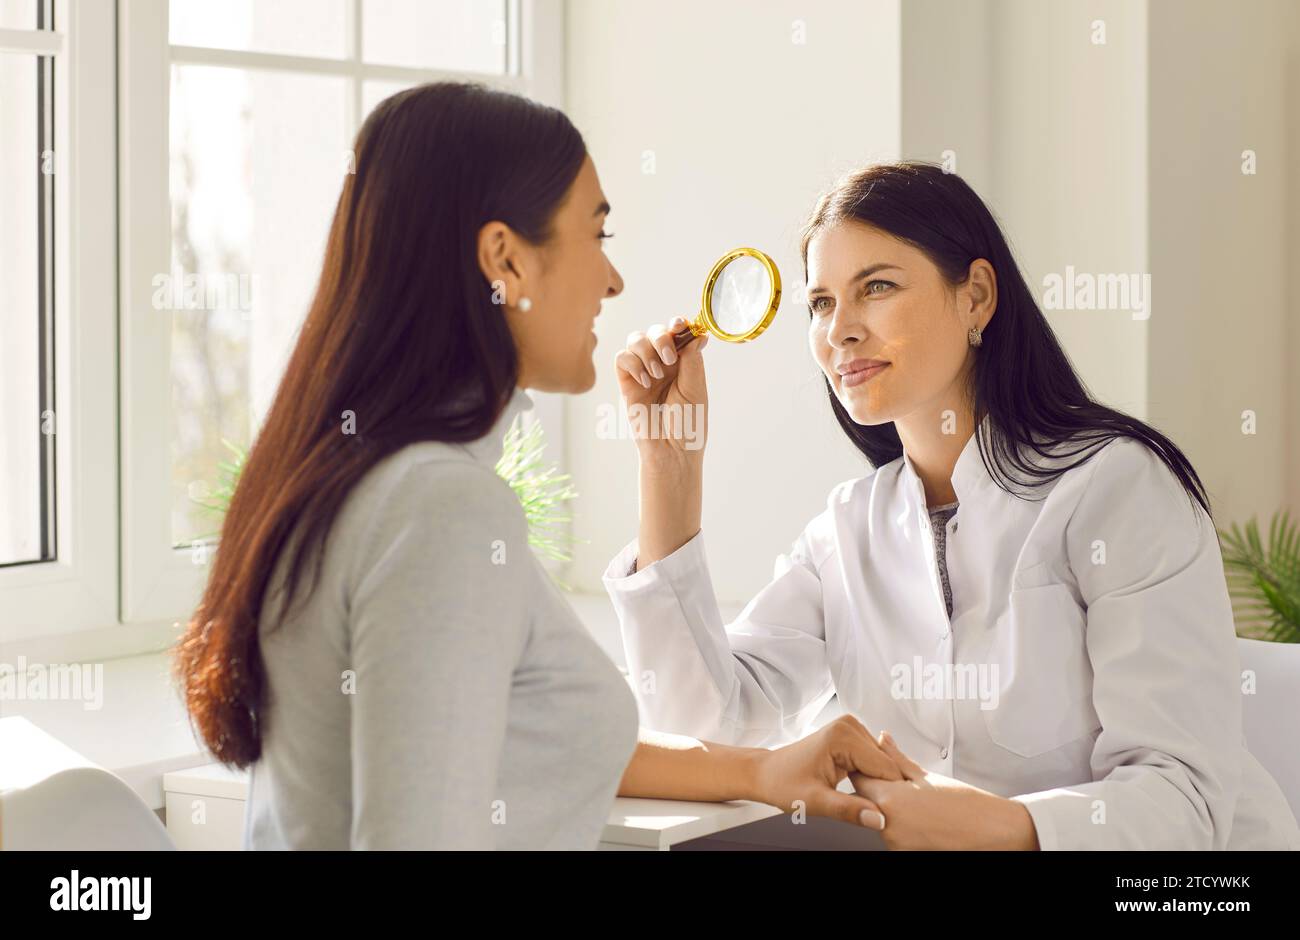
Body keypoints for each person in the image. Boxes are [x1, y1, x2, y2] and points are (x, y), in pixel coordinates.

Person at [172, 82, 902, 850]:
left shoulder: (366, 476)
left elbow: (500, 732)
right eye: (597, 235)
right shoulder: (442, 508)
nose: (611, 281)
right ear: (505, 262)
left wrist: (753, 773)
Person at [604, 161, 1300, 850]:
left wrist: (992, 825)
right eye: (820, 303)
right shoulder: (846, 531)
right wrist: (669, 465)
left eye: (875, 287)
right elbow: (705, 729)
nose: (839, 329)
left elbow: (1183, 802)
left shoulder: (1119, 488)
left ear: (976, 298)